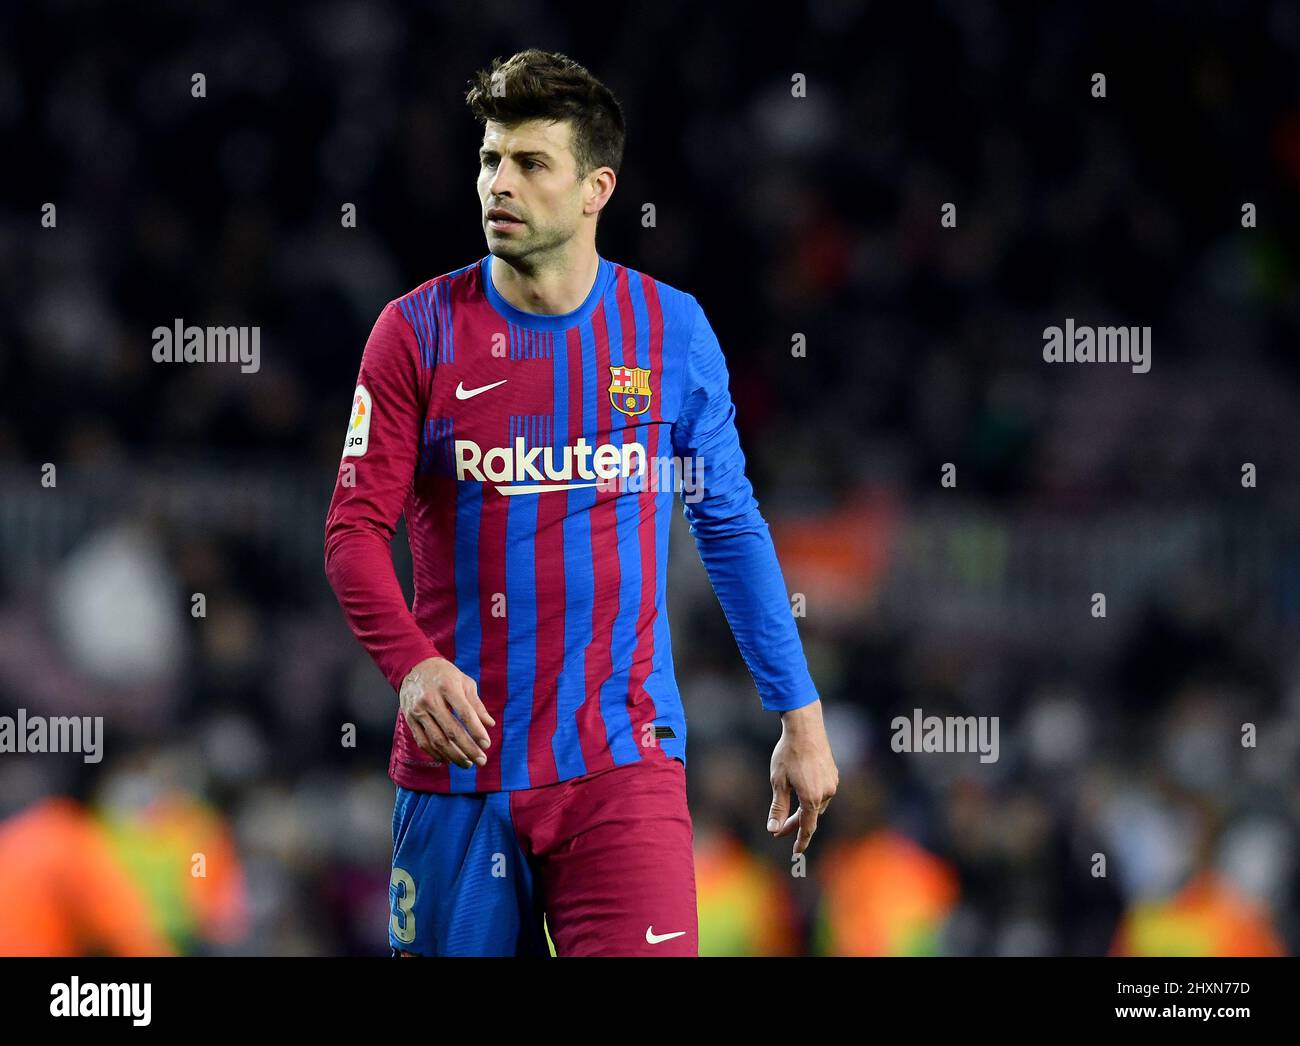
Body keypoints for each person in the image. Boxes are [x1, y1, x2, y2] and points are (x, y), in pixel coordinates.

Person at [324, 48, 837, 957]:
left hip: (620, 762)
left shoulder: (669, 330)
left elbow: (729, 525)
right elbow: (354, 533)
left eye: (530, 163)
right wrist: (411, 665)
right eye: (489, 159)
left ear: (597, 187)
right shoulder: (416, 333)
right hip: (460, 769)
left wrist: (799, 718)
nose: (498, 184)